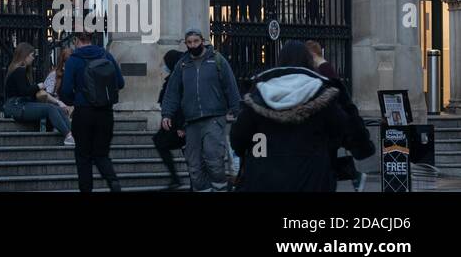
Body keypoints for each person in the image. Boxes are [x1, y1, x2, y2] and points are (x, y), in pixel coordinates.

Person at [230, 40, 375, 192]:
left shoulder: (258, 96)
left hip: (264, 181)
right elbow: (347, 131)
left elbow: (238, 139)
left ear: (280, 61)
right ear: (308, 61)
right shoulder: (323, 96)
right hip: (313, 181)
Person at [160, 29, 241, 192]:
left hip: (214, 118)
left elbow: (230, 85)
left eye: (195, 41)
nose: (192, 45)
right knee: (194, 166)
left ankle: (220, 188)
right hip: (191, 121)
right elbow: (173, 91)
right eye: (189, 42)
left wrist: (236, 109)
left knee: (214, 159)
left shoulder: (217, 60)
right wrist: (167, 114)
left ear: (202, 41)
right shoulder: (182, 64)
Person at [60, 29, 124, 192]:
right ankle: (113, 181)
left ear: (76, 40)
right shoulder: (105, 55)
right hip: (105, 112)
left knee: (83, 157)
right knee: (101, 154)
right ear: (93, 39)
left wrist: (73, 101)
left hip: (83, 112)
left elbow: (66, 90)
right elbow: (120, 82)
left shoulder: (74, 60)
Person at [305, 39, 367, 191]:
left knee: (327, 160)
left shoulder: (323, 69)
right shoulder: (325, 68)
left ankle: (355, 175)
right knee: (328, 161)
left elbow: (334, 98)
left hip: (331, 123)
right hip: (333, 122)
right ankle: (354, 176)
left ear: (312, 54)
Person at [2, 42, 73, 146]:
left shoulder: (19, 70)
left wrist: (58, 102)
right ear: (25, 56)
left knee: (56, 107)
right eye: (32, 55)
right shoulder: (19, 71)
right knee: (50, 108)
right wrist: (38, 86)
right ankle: (68, 136)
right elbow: (24, 91)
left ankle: (71, 134)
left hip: (20, 105)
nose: (33, 58)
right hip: (17, 107)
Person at [153, 48, 186, 190]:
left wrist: (180, 126)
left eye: (165, 63)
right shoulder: (174, 77)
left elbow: (181, 104)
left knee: (161, 142)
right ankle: (176, 178)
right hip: (173, 122)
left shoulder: (178, 79)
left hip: (177, 123)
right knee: (161, 142)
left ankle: (176, 178)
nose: (163, 66)